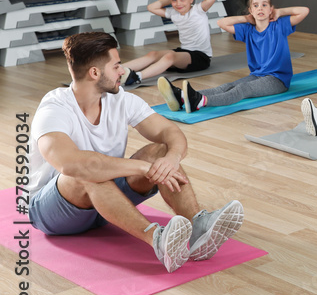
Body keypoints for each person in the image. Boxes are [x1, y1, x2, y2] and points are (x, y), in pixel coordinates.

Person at [26, 32, 244, 273]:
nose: (123, 71)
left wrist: (170, 158)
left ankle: (198, 225)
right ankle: (158, 241)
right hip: (53, 211)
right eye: (117, 66)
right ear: (95, 73)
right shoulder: (54, 108)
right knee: (87, 172)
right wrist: (142, 168)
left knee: (158, 151)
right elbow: (71, 165)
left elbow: (170, 133)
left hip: (105, 204)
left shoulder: (121, 100)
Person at [157, 0, 309, 113]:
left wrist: (280, 12)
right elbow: (222, 23)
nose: (260, 8)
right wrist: (246, 18)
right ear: (250, 10)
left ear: (271, 9)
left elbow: (304, 11)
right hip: (257, 76)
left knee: (243, 89)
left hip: (278, 80)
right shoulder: (248, 30)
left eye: (264, 5)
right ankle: (182, 97)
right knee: (228, 86)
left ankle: (201, 101)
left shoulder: (279, 26)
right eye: (255, 6)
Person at [121, 0, 217, 87]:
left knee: (169, 57)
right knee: (152, 54)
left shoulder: (198, 10)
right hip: (184, 52)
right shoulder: (173, 12)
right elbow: (151, 7)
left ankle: (137, 76)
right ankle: (117, 70)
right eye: (174, 0)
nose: (178, 3)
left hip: (201, 57)